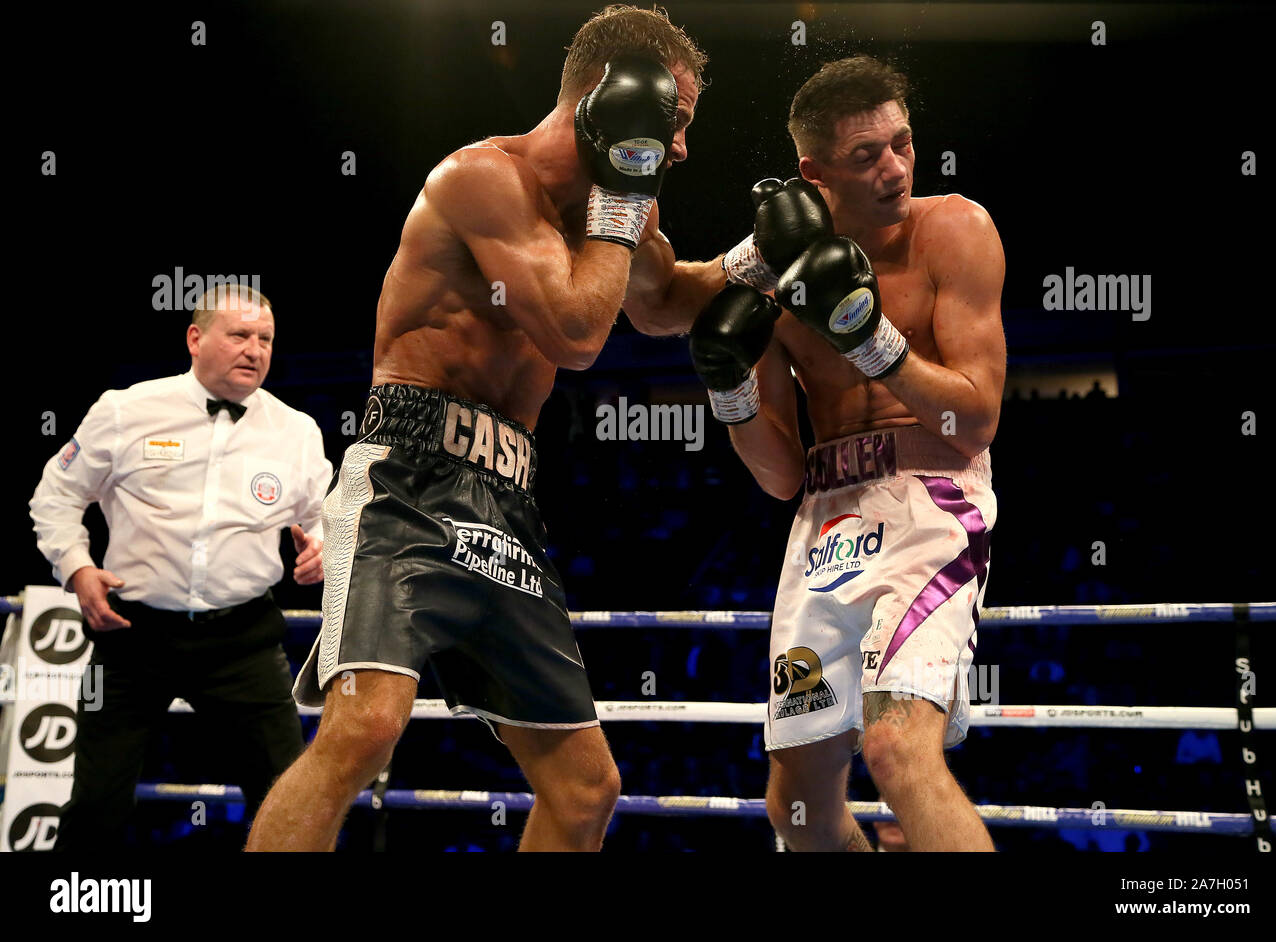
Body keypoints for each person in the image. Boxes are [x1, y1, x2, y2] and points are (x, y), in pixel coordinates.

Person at [245, 5, 715, 852]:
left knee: (585, 789)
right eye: (672, 119)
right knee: (365, 728)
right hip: (407, 476)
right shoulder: (482, 178)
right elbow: (576, 333)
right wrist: (622, 195)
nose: (678, 148)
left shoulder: (621, 211)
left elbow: (663, 303)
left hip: (507, 500)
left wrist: (769, 263)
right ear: (612, 99)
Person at [630, 55, 1006, 851]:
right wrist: (729, 390)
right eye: (866, 155)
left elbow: (974, 421)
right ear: (814, 171)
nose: (894, 168)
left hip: (930, 502)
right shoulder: (774, 274)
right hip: (824, 519)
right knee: (796, 804)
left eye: (903, 143)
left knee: (897, 748)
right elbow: (779, 476)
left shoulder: (954, 229)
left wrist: (870, 339)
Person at [29, 284, 332, 849]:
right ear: (195, 338)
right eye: (239, 335)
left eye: (265, 339)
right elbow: (56, 495)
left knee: (288, 800)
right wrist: (76, 567)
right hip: (131, 636)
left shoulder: (296, 431)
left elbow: (323, 517)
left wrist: (321, 547)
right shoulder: (124, 410)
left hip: (243, 640)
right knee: (95, 803)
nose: (254, 350)